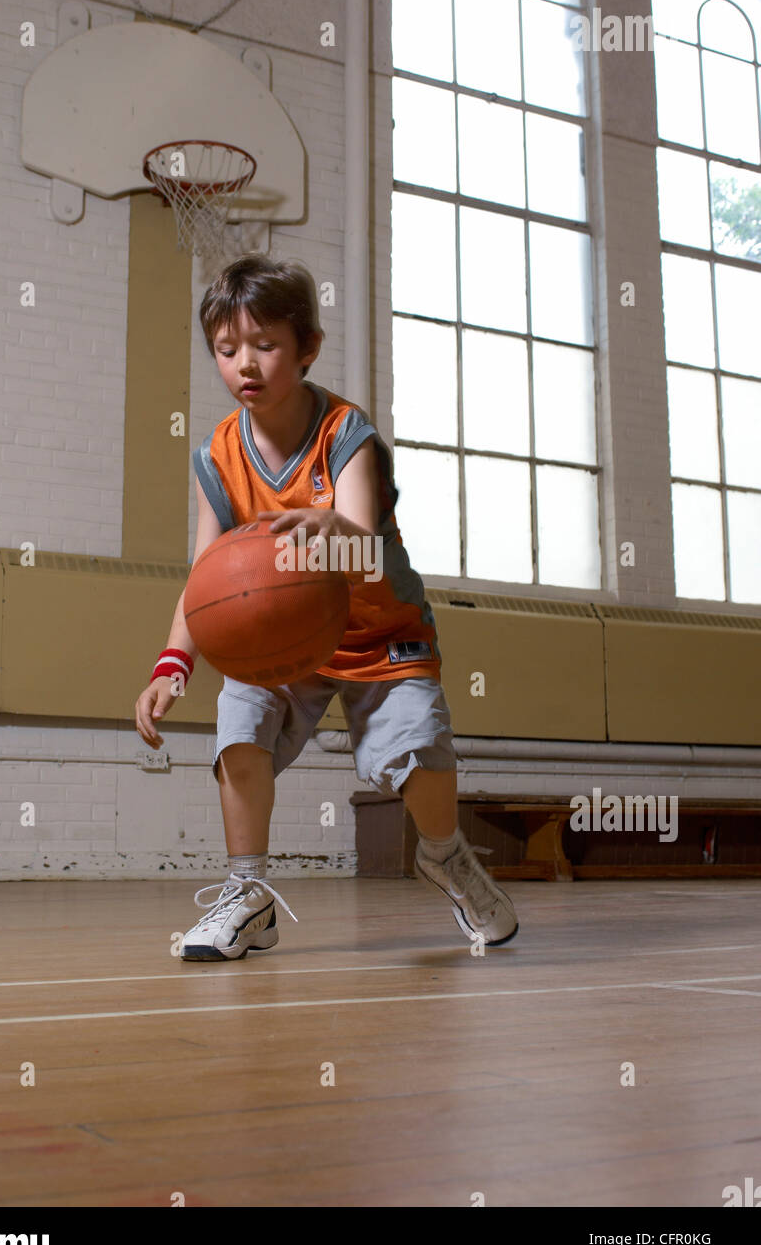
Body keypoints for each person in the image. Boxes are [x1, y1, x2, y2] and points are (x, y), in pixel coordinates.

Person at [135, 255, 518, 960]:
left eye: (264, 345)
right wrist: (172, 665)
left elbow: (363, 539)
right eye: (226, 350)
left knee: (419, 755)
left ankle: (445, 856)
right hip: (279, 639)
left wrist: (331, 527)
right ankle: (247, 894)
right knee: (237, 733)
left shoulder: (346, 431)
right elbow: (204, 578)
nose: (243, 365)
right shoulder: (216, 458)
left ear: (306, 348)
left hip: (379, 630)